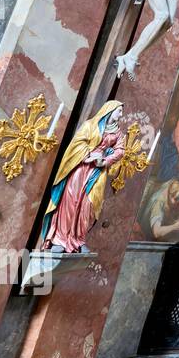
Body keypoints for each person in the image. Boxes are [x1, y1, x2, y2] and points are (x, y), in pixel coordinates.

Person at [41, 102, 127, 253]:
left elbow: (120, 151)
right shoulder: (90, 125)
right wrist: (89, 154)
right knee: (70, 200)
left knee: (88, 205)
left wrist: (105, 160)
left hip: (97, 172)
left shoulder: (118, 133)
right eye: (119, 111)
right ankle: (59, 240)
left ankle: (78, 240)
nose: (120, 115)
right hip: (80, 168)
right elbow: (78, 143)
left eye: (121, 112)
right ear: (110, 110)